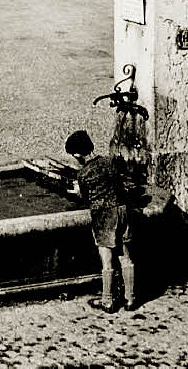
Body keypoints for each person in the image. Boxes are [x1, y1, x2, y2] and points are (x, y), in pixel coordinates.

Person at [65, 129, 137, 313]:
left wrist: (75, 193)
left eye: (74, 155)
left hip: (104, 216)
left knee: (107, 261)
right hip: (122, 211)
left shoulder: (84, 173)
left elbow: (85, 197)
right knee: (125, 257)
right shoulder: (109, 162)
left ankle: (107, 301)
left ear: (77, 154)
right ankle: (130, 299)